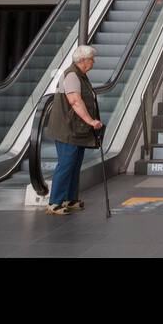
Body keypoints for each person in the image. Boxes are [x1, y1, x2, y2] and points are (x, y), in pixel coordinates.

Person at [46, 44, 104, 215]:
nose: (93, 62)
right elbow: (75, 101)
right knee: (66, 164)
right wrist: (91, 121)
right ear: (84, 60)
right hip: (68, 129)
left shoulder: (81, 76)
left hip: (77, 129)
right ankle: (54, 202)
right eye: (92, 59)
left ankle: (70, 199)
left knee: (74, 164)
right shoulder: (72, 75)